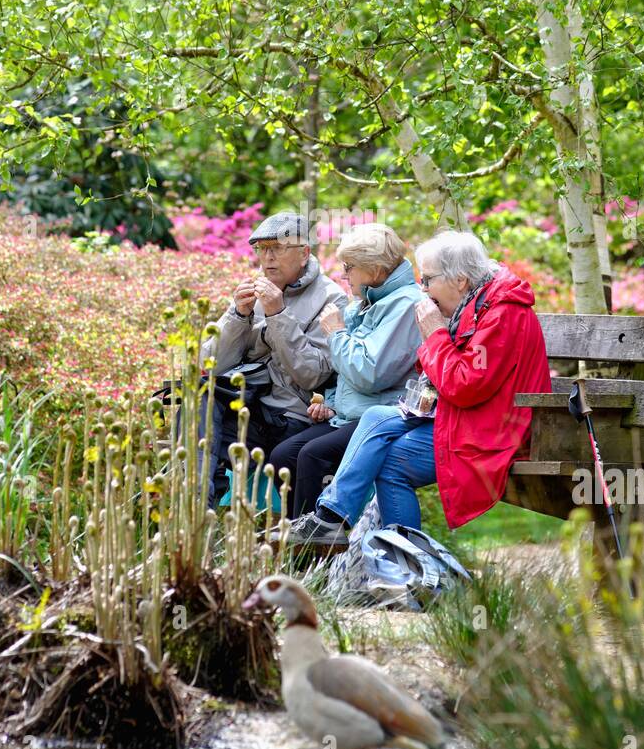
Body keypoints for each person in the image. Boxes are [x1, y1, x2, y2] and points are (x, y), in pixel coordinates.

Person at [287, 229, 552, 547]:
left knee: (393, 461)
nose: (423, 290)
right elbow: (445, 377)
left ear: (460, 280)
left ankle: (399, 560)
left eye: (427, 280)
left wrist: (435, 333)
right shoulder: (474, 306)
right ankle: (335, 521)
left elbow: (464, 385)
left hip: (491, 429)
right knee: (375, 418)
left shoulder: (501, 315)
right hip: (462, 416)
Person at [267, 223, 424, 518]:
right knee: (282, 456)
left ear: (374, 270)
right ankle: (308, 547)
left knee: (314, 455)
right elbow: (352, 374)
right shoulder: (368, 302)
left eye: (349, 267)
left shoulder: (406, 305)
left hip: (386, 415)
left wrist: (337, 333)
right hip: (353, 414)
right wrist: (331, 404)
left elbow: (371, 373)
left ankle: (314, 546)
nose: (343, 275)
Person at [198, 211, 348, 508]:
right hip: (246, 408)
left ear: (304, 253)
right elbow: (212, 363)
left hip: (290, 421)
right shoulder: (255, 288)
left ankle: (204, 505)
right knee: (199, 397)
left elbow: (311, 376)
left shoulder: (332, 299)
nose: (267, 258)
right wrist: (237, 316)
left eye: (277, 249)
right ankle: (199, 504)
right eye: (262, 249)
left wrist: (278, 314)